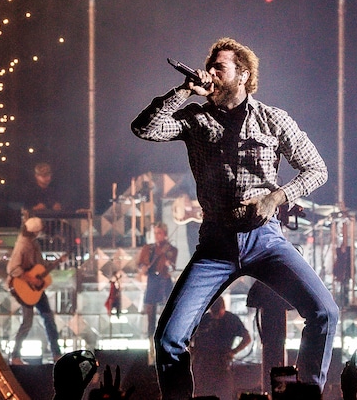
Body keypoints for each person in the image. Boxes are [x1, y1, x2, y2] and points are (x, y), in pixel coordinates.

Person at [130, 37, 338, 399]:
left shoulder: (273, 119)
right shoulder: (196, 119)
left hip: (265, 240)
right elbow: (144, 128)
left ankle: (306, 396)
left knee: (325, 314)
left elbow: (317, 169)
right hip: (216, 243)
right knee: (168, 338)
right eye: (209, 67)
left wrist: (277, 197)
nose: (210, 73)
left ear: (243, 75)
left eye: (219, 68)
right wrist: (183, 91)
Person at [8, 216, 63, 364]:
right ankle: (15, 356)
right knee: (28, 322)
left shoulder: (32, 243)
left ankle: (56, 354)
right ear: (35, 232)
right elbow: (13, 268)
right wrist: (31, 279)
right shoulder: (23, 245)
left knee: (47, 318)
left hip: (35, 289)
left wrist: (54, 263)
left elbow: (38, 266)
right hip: (24, 288)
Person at [190, 295, 251, 400]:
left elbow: (247, 338)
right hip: (203, 364)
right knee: (203, 393)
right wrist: (192, 350)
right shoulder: (203, 320)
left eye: (218, 313)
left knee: (223, 393)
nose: (216, 317)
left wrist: (233, 352)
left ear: (223, 308)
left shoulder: (231, 320)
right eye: (214, 313)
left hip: (222, 364)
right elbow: (189, 338)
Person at [246, 279, 291, 393]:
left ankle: (270, 390)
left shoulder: (261, 284)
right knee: (275, 362)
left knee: (271, 363)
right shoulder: (281, 285)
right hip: (274, 335)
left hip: (271, 336)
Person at [138, 222, 179, 345]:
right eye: (155, 233)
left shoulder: (171, 249)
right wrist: (143, 267)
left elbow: (172, 268)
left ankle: (165, 335)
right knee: (150, 309)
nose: (157, 236)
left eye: (159, 233)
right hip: (152, 280)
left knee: (166, 309)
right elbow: (141, 263)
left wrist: (168, 263)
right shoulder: (148, 248)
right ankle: (151, 338)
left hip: (164, 280)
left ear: (164, 234)